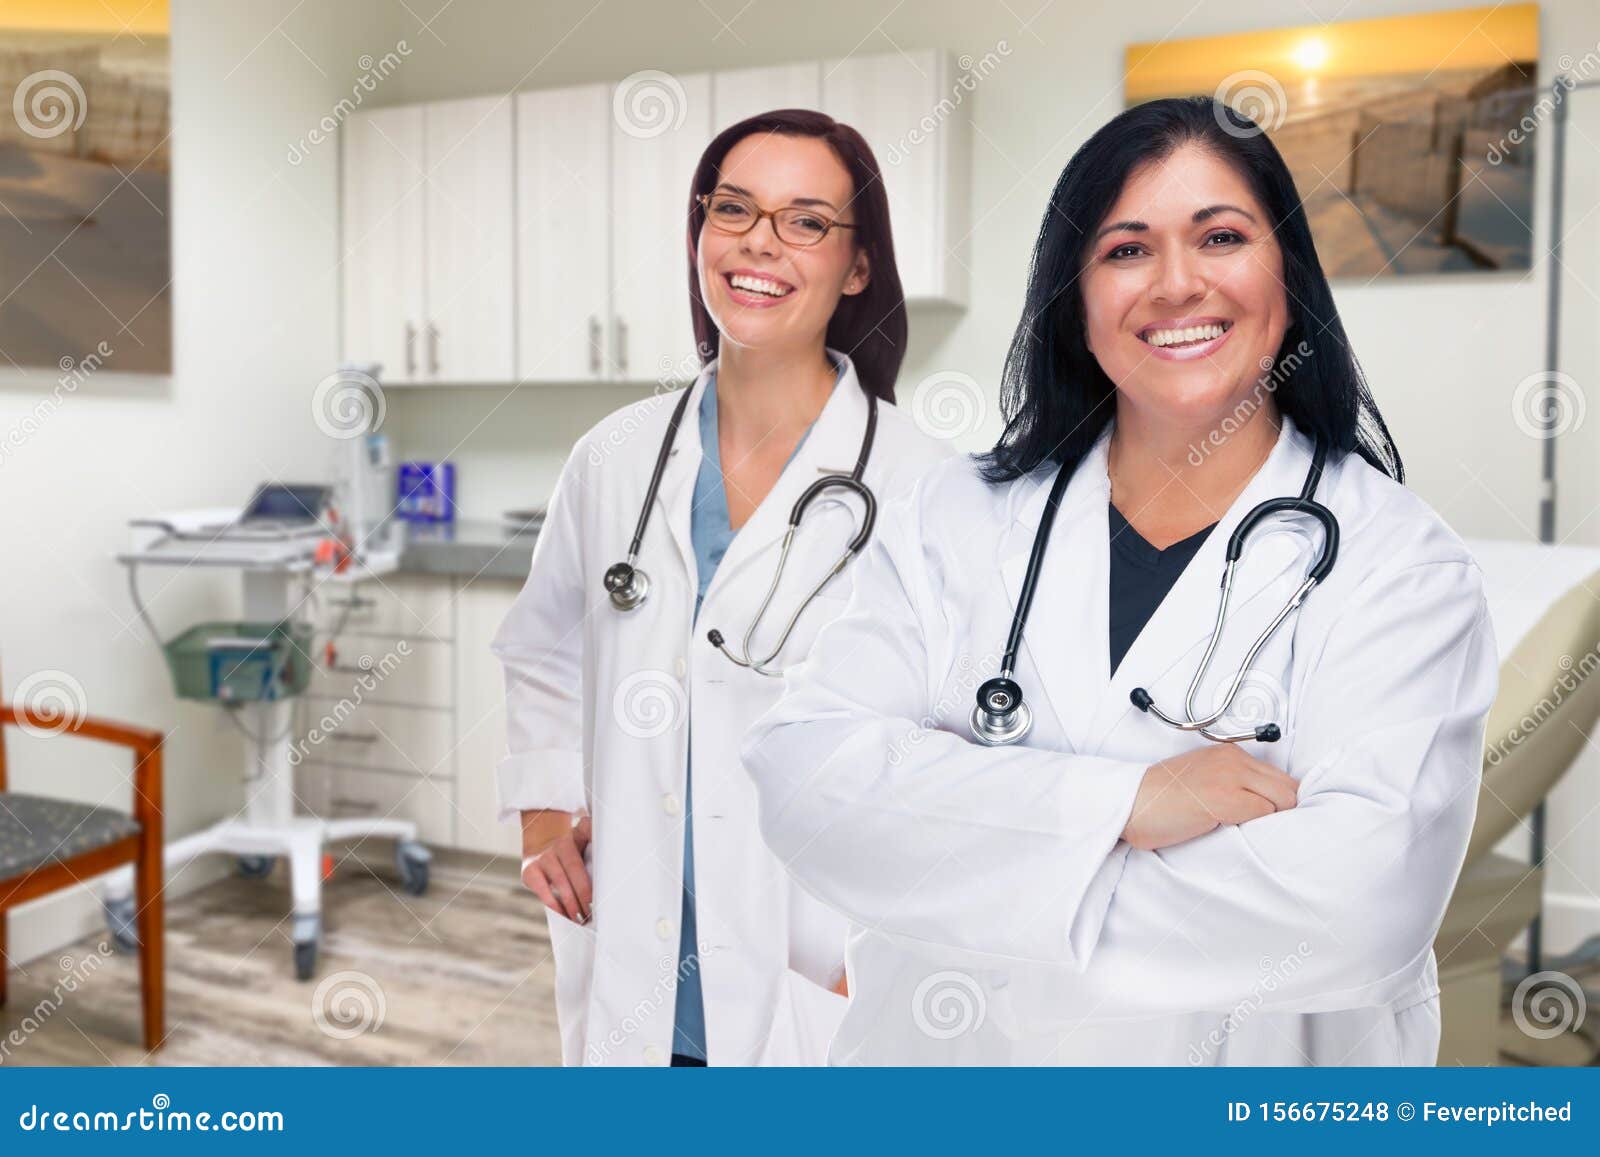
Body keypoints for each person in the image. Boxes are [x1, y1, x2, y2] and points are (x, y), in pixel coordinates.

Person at [741, 96, 1498, 1066]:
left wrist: (957, 840)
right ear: (1077, 295)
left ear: (1287, 272)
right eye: (1126, 249)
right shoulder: (953, 515)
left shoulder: (1399, 563)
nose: (1175, 284)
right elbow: (806, 785)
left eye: (1219, 236)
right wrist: (1126, 804)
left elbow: (1356, 906)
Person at [492, 109, 951, 1066]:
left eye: (807, 221)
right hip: (633, 944)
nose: (759, 242)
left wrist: (893, 954)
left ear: (858, 265)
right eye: (733, 208)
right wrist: (542, 808)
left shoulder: (925, 486)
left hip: (813, 961)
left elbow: (953, 753)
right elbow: (542, 647)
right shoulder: (614, 455)